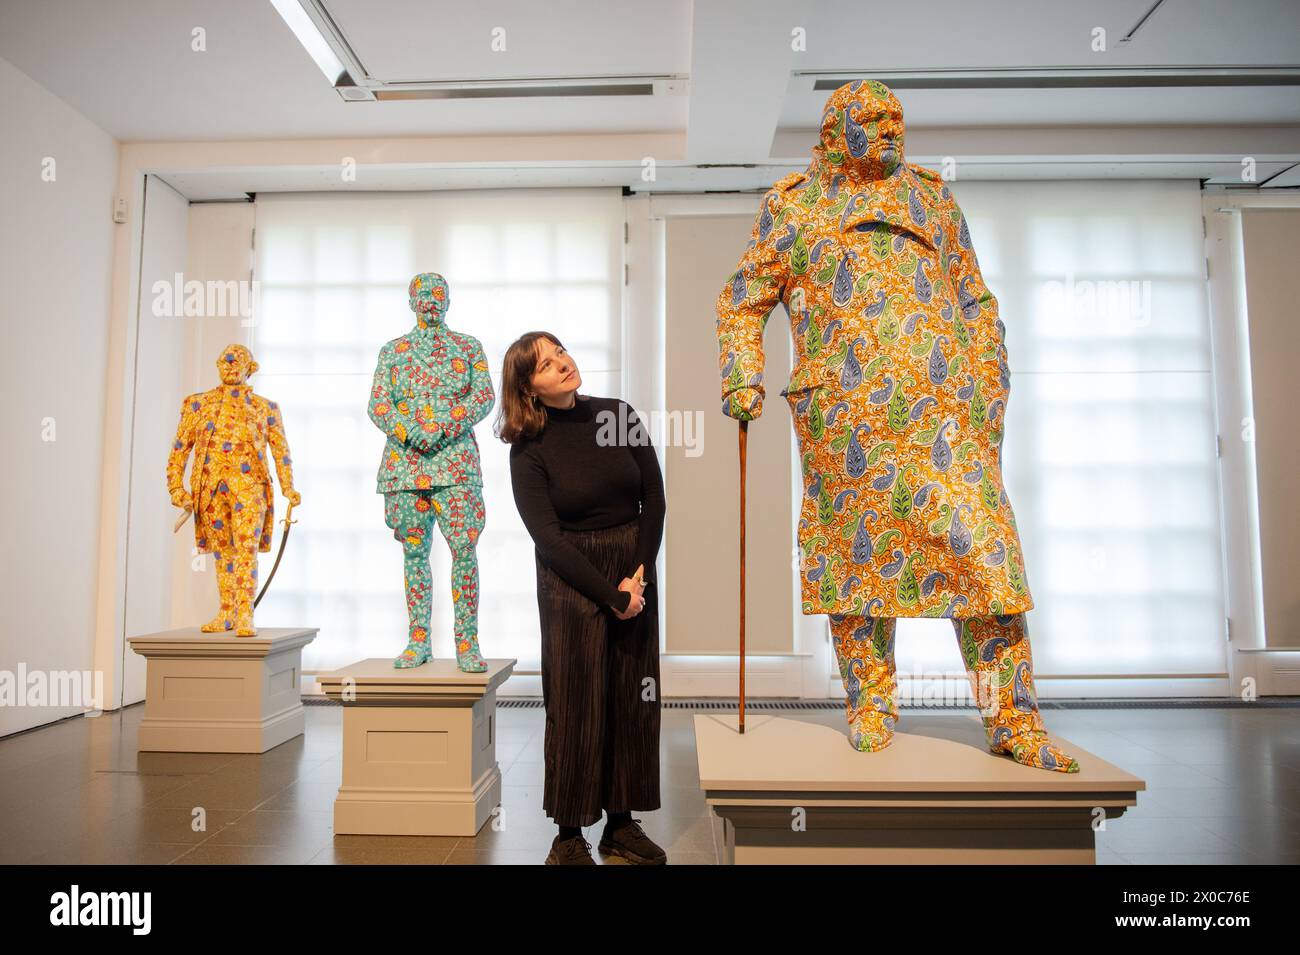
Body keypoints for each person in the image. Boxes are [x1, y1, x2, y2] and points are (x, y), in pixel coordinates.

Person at [715, 79, 1078, 773]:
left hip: (945, 419)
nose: (889, 128)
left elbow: (974, 297)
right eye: (872, 118)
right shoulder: (794, 206)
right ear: (834, 129)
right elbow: (740, 300)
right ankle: (871, 703)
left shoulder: (933, 198)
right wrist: (742, 373)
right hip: (846, 421)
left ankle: (1012, 716)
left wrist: (988, 378)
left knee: (985, 560)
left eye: (896, 117)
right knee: (856, 562)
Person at [498, 331, 668, 864]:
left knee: (630, 698)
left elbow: (654, 497)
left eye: (561, 353)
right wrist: (609, 597)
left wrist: (635, 580)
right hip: (569, 578)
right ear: (528, 388)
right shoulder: (528, 447)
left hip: (630, 570)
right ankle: (568, 835)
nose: (563, 365)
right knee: (576, 703)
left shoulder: (617, 413)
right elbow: (546, 538)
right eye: (546, 365)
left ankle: (621, 825)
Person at [366, 272, 495, 671]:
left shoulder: (468, 347)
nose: (430, 300)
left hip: (455, 463)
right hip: (405, 467)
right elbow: (378, 403)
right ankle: (418, 639)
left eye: (438, 294)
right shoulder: (393, 351)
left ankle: (467, 643)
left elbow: (484, 395)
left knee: (464, 551)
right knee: (414, 553)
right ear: (410, 301)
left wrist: (443, 427)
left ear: (449, 300)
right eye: (422, 294)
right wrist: (410, 432)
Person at [167, 343, 300, 636]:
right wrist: (176, 488)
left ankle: (244, 615)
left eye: (237, 362)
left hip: (249, 488)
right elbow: (180, 449)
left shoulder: (266, 408)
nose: (230, 366)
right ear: (217, 365)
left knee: (245, 549)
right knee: (223, 553)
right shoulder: (197, 404)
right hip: (211, 487)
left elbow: (281, 452)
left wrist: (289, 487)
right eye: (225, 361)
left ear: (249, 368)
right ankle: (227, 611)